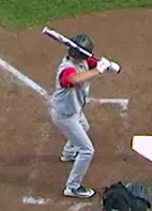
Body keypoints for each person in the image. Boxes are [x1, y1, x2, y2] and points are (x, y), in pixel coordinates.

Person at [50, 33, 120, 199]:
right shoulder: (66, 68)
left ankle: (68, 154)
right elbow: (73, 79)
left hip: (74, 112)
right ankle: (72, 187)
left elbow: (94, 63)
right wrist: (98, 70)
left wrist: (109, 66)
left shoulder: (83, 61)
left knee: (85, 127)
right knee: (87, 150)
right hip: (65, 116)